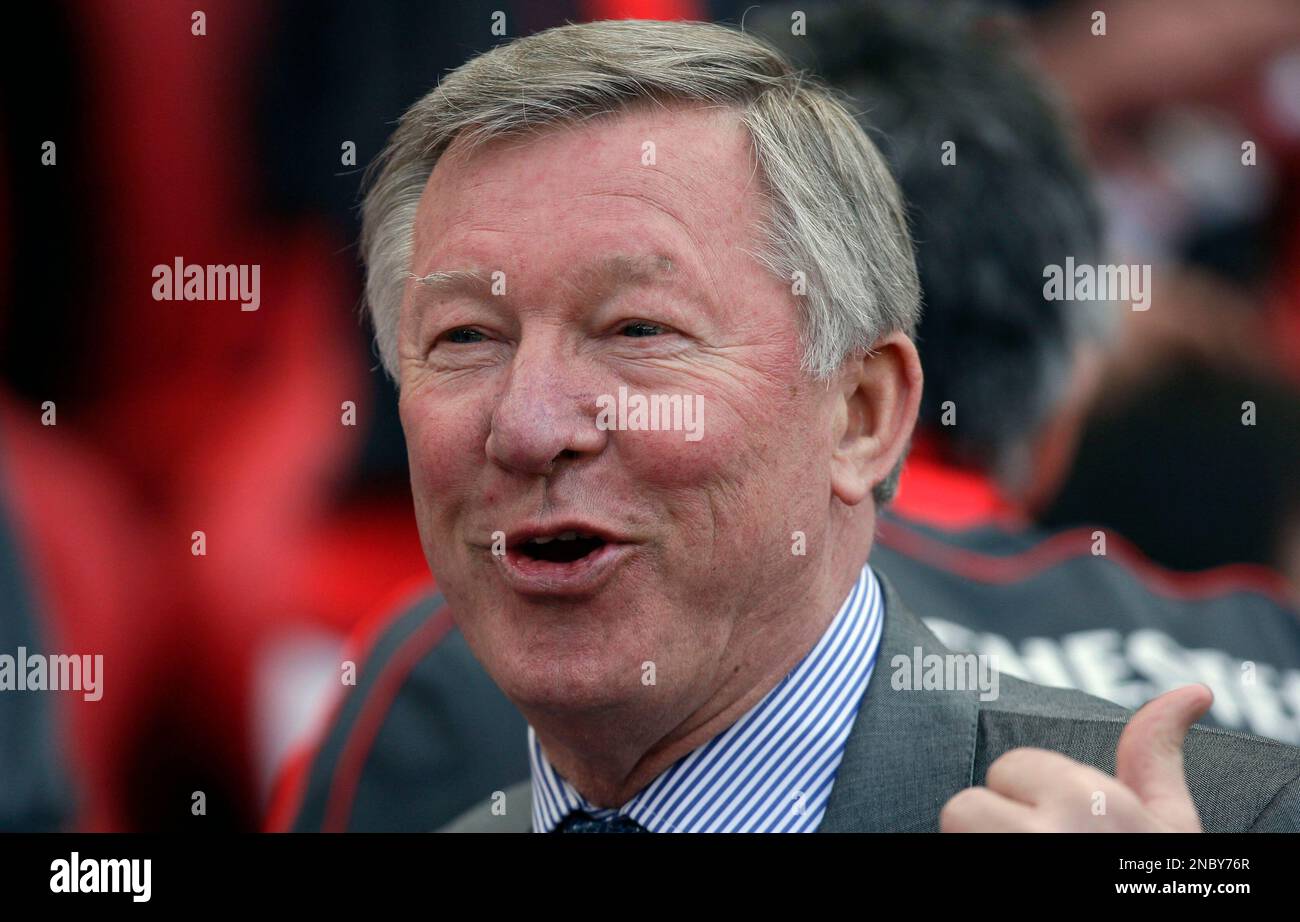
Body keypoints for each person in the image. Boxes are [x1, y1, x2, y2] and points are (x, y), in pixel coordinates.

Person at [282, 18, 1300, 833]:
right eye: (464, 337)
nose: (530, 421)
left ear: (862, 414)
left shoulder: (1219, 822)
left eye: (638, 328)